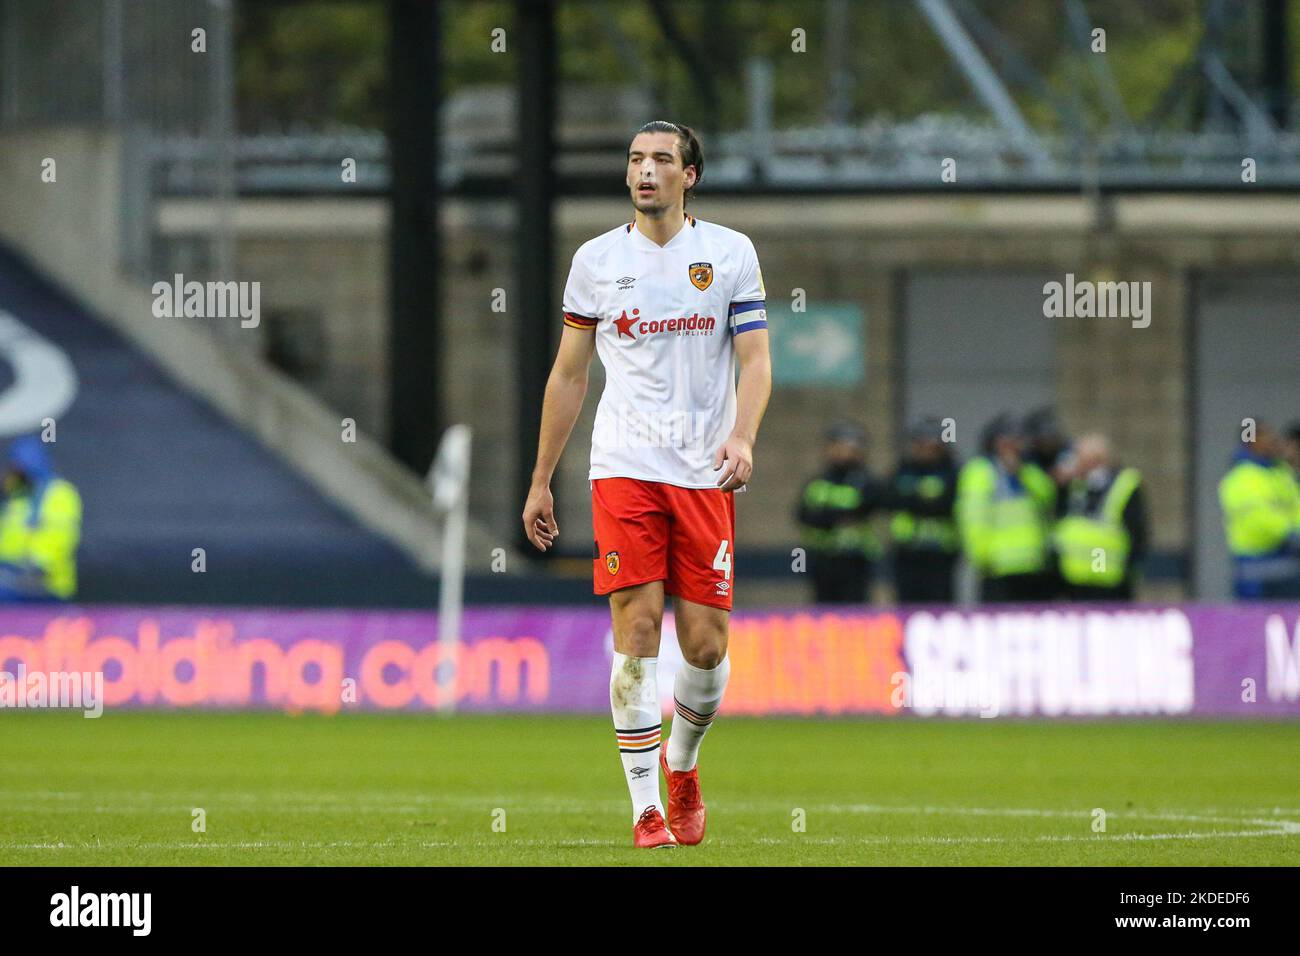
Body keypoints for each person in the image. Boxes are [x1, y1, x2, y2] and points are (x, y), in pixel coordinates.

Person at [521, 121, 771, 849]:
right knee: (636, 633)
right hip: (624, 467)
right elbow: (570, 375)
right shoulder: (597, 261)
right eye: (636, 159)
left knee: (703, 646)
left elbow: (755, 360)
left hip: (704, 472)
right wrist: (542, 479)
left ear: (690, 175)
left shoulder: (729, 254)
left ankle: (682, 762)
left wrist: (744, 435)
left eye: (662, 159)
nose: (646, 171)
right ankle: (644, 810)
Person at [956, 413, 1057, 603]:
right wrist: (983, 557)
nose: (1015, 446)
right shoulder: (979, 471)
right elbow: (973, 519)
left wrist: (1020, 473)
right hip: (997, 567)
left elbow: (1047, 495)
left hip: (1032, 565)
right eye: (1009, 440)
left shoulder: (1028, 471)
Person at [795, 423, 885, 604]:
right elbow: (803, 515)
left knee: (855, 611)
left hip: (855, 560)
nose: (843, 452)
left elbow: (865, 509)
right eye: (838, 446)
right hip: (822, 559)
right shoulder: (817, 482)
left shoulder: (866, 481)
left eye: (849, 447)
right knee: (824, 611)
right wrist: (839, 516)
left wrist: (826, 515)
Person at [1052, 433, 1147, 601]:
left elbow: (1137, 531)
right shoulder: (1075, 484)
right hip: (1074, 574)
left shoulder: (1120, 482)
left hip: (1101, 564)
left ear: (1093, 459)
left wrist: (1129, 567)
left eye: (1079, 457)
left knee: (1100, 605)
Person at [1218, 421, 1300, 599]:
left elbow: (1295, 506)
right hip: (1255, 565)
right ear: (1252, 442)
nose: (1273, 441)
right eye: (1265, 437)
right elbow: (1258, 516)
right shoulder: (1242, 477)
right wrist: (1290, 533)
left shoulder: (1280, 473)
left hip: (1287, 562)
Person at [0, 436, 83, 602]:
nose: (12, 474)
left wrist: (38, 568)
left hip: (46, 586)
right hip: (11, 578)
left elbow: (60, 538)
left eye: (18, 469)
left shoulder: (60, 494)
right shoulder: (16, 496)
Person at [886, 416, 959, 603]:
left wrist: (911, 499)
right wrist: (922, 501)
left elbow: (945, 505)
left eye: (930, 441)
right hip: (907, 552)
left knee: (940, 608)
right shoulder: (903, 470)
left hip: (941, 554)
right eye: (920, 441)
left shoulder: (951, 471)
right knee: (907, 606)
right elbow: (889, 499)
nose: (924, 447)